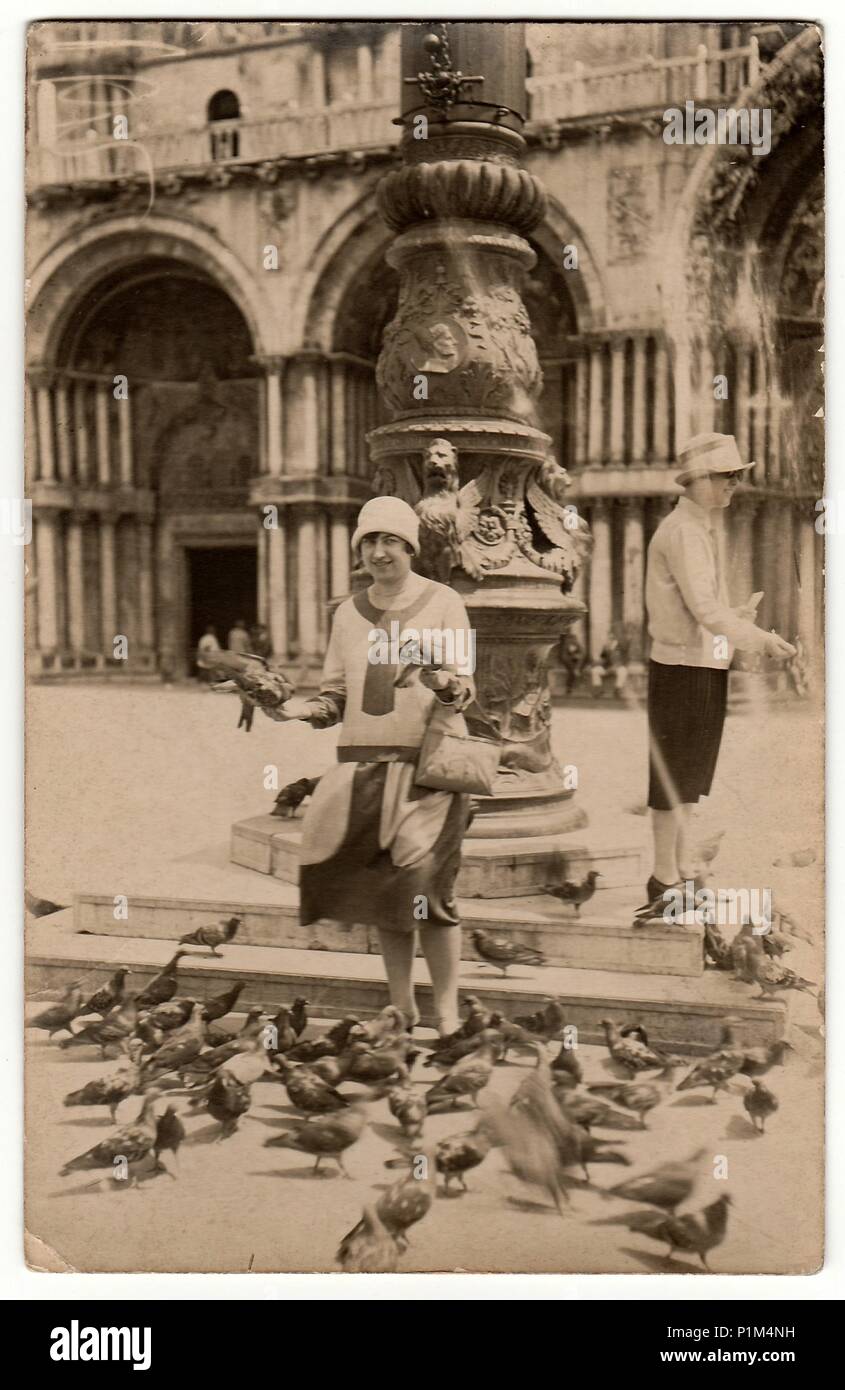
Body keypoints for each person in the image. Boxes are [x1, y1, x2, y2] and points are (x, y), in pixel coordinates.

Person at [263, 496, 476, 1036]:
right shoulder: (346, 613)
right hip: (365, 770)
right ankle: (401, 1009)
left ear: (410, 546)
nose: (379, 553)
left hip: (430, 771)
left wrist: (441, 680)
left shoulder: (444, 601)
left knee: (433, 895)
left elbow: (464, 691)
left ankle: (447, 1015)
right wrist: (292, 709)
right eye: (369, 542)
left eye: (390, 541)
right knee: (389, 901)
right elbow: (334, 697)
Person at [639, 432, 795, 915]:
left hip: (699, 663)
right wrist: (761, 640)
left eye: (737, 477)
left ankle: (681, 874)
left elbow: (702, 610)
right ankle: (664, 880)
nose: (734, 486)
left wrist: (736, 619)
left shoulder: (696, 527)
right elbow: (704, 612)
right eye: (727, 477)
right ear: (700, 480)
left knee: (687, 779)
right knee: (672, 780)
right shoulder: (684, 531)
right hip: (682, 667)